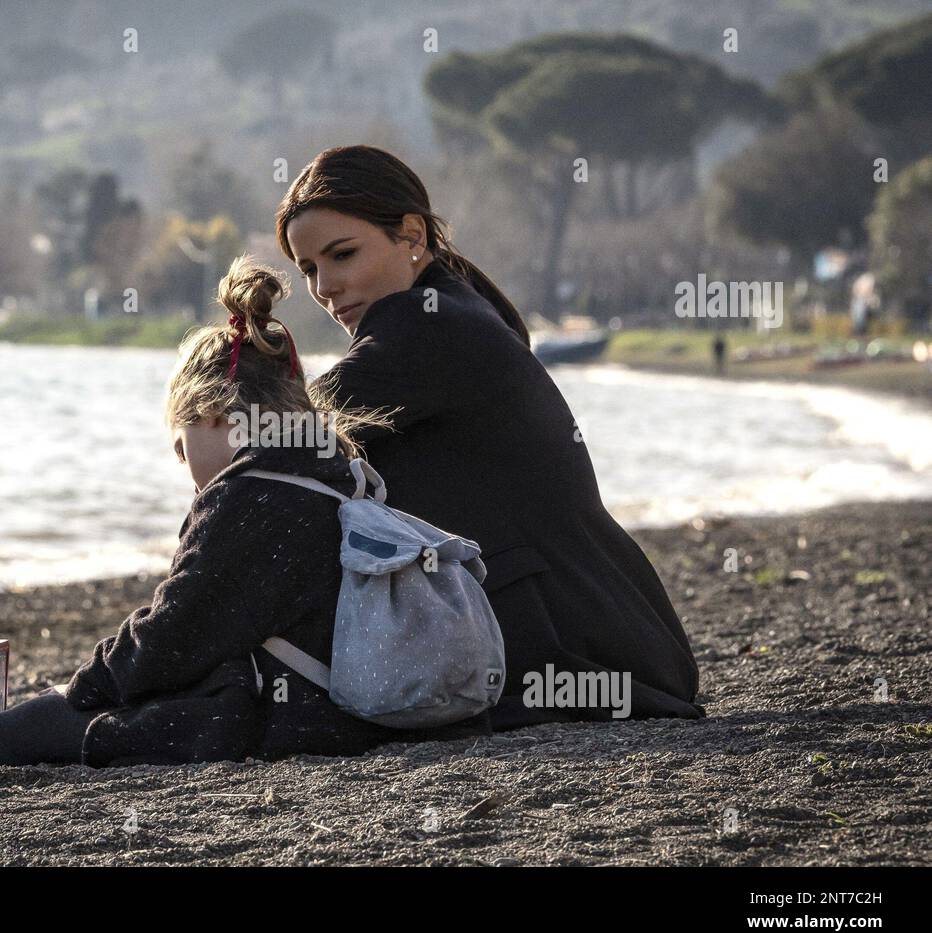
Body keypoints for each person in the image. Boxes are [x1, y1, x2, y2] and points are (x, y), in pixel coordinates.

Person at [0, 255, 487, 785]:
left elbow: (174, 634)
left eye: (180, 441)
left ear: (219, 416)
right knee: (82, 708)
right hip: (339, 708)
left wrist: (85, 683)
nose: (184, 462)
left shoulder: (253, 493)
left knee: (51, 724)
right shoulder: (333, 475)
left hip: (299, 723)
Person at [277, 145, 704, 728]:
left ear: (410, 235)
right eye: (308, 270)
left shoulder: (425, 325)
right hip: (619, 640)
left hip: (565, 648)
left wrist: (212, 403)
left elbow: (281, 434)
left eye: (342, 254)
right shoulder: (458, 306)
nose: (325, 286)